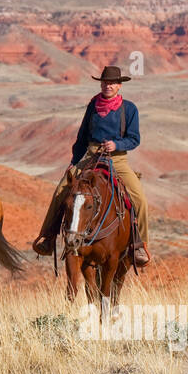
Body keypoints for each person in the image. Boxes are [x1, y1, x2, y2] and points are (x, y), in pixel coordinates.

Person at [32, 65, 151, 264]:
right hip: (91, 156)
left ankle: (140, 245)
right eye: (105, 82)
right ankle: (48, 237)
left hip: (117, 159)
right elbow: (82, 137)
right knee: (61, 190)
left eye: (112, 83)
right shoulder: (93, 105)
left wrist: (116, 144)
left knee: (140, 199)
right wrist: (73, 163)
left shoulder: (129, 109)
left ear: (119, 85)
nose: (108, 86)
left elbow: (134, 139)